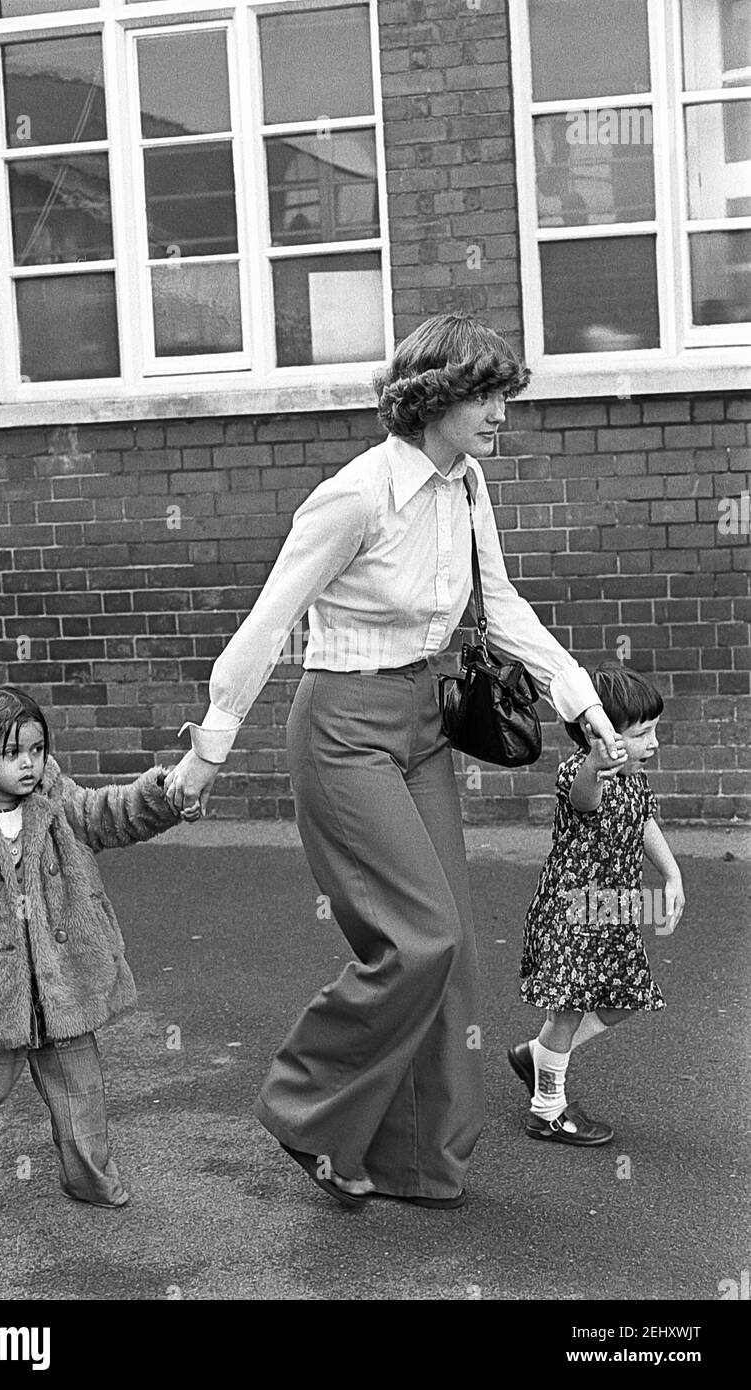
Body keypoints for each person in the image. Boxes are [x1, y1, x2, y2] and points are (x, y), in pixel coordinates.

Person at [164, 312, 626, 1210]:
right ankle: (306, 1106)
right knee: (420, 938)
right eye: (486, 395)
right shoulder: (354, 496)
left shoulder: (466, 484)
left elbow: (504, 603)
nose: (501, 412)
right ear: (433, 397)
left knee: (453, 953)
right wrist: (207, 755)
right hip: (343, 729)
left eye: (504, 395)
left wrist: (581, 703)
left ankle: (417, 1158)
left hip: (425, 723)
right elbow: (266, 624)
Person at [0, 686, 179, 1207]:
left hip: (60, 982)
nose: (28, 764)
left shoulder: (56, 803)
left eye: (36, 749)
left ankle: (90, 1179)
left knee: (81, 1089)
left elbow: (108, 814)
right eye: (11, 753)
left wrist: (160, 794)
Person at [509, 663, 685, 1144]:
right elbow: (587, 799)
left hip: (614, 910)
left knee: (624, 999)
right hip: (574, 912)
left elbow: (644, 823)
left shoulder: (635, 782)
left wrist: (670, 873)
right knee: (566, 1011)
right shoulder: (581, 774)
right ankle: (547, 1110)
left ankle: (538, 1055)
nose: (653, 744)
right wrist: (595, 759)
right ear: (601, 735)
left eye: (654, 731)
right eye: (642, 733)